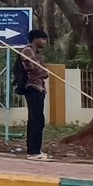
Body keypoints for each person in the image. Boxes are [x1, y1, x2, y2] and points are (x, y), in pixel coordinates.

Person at [17, 29, 52, 160]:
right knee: (35, 119)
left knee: (39, 120)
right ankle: (33, 152)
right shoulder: (27, 51)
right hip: (32, 87)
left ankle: (36, 150)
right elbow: (35, 69)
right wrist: (44, 72)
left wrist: (45, 72)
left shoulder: (37, 53)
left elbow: (44, 72)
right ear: (35, 39)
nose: (45, 42)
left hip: (40, 88)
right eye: (43, 39)